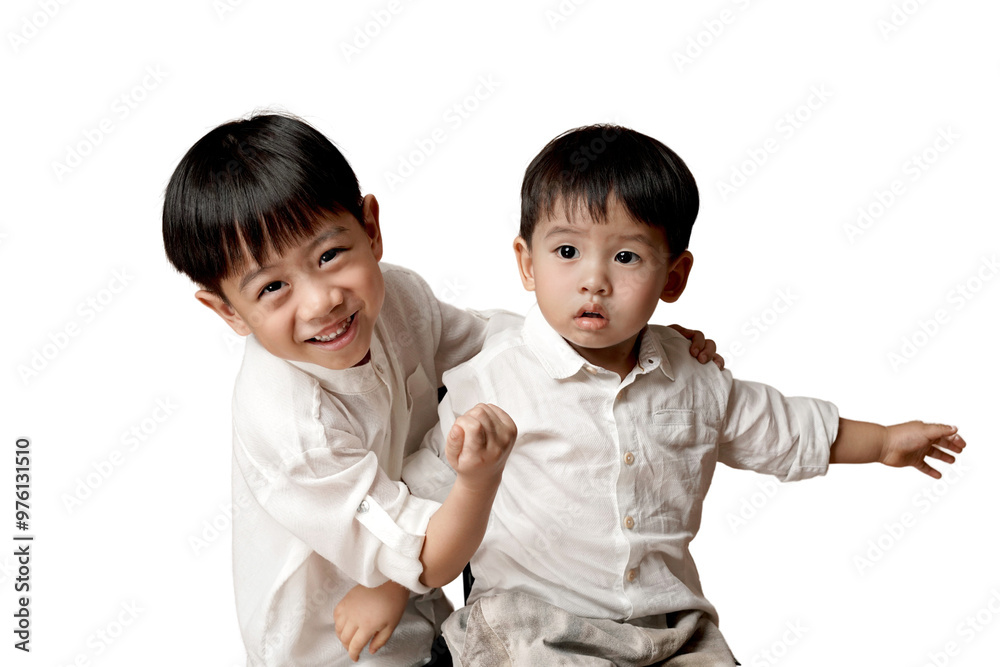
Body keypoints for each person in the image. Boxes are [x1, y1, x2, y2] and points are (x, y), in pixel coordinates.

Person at [161, 113, 722, 665]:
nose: (320, 301)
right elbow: (417, 555)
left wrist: (633, 345)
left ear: (372, 229)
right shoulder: (290, 425)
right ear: (226, 310)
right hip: (336, 634)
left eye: (330, 256)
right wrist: (432, 536)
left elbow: (503, 347)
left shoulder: (399, 299)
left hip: (430, 590)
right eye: (273, 287)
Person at [396, 124, 967, 666]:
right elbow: (422, 493)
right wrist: (385, 590)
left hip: (668, 625)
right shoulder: (495, 377)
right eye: (567, 252)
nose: (594, 280)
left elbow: (783, 427)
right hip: (535, 620)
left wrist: (886, 441)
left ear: (673, 277)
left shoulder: (693, 375)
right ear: (526, 262)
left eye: (626, 257)